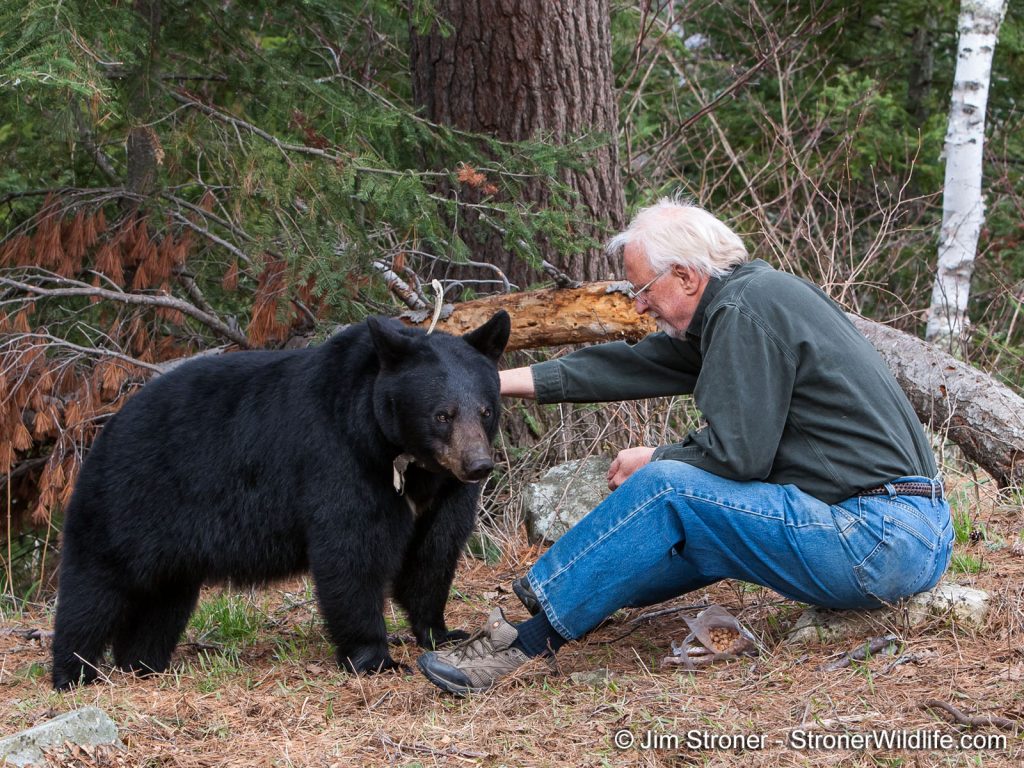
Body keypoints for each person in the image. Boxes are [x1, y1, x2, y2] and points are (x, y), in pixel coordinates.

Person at [416, 198, 953, 695]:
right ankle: (567, 610)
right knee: (695, 529)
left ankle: (526, 638)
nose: (639, 305)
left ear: (686, 275)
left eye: (643, 289)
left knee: (667, 487)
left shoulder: (744, 312)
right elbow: (630, 366)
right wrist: (489, 381)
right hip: (909, 536)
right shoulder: (748, 301)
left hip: (875, 538)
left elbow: (739, 456)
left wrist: (656, 457)